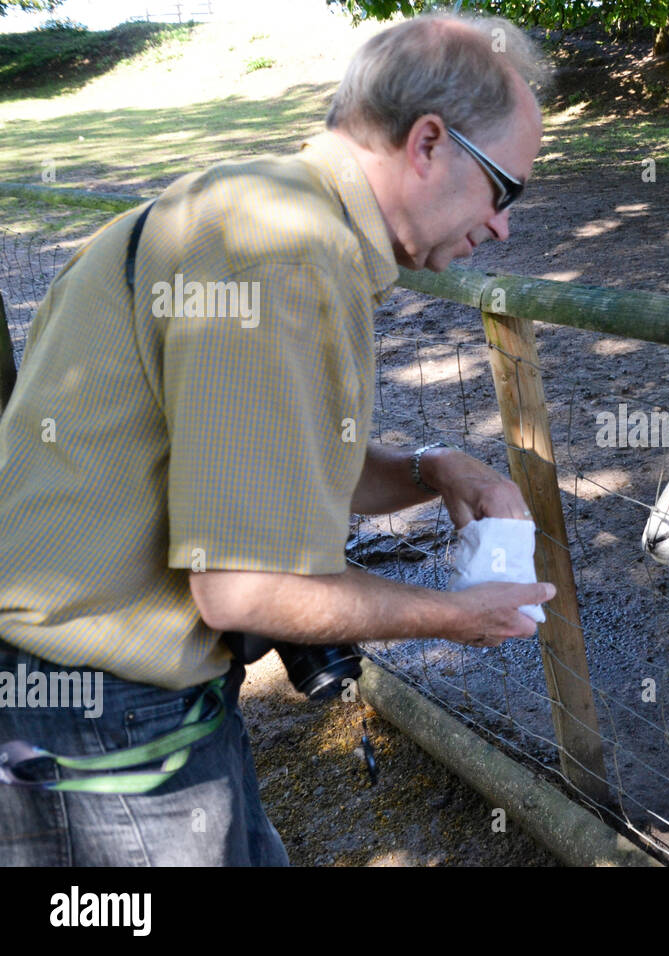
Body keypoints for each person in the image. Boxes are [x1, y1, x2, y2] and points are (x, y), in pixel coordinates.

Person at [0, 13, 554, 866]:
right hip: (101, 726)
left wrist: (431, 469)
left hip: (81, 694)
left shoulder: (251, 211)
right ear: (429, 144)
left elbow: (258, 469)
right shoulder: (287, 259)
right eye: (504, 190)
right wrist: (452, 615)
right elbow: (241, 587)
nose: (503, 226)